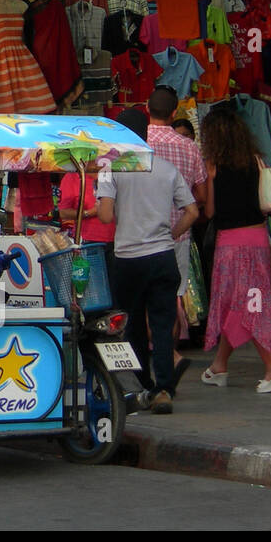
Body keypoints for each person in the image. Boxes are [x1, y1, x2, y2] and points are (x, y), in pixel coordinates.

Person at [96, 108, 199, 414]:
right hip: (163, 256)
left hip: (129, 259)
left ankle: (142, 387)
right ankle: (165, 388)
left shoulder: (111, 170)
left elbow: (104, 216)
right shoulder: (167, 169)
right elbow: (192, 212)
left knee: (134, 327)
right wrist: (171, 233)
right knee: (163, 323)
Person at [198, 109, 271, 392]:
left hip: (231, 246)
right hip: (259, 242)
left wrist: (210, 180)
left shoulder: (214, 165)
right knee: (249, 301)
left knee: (243, 305)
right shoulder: (256, 160)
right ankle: (219, 366)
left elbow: (210, 211)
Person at [145, 87, 207, 386]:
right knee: (170, 300)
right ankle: (168, 357)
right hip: (178, 236)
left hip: (141, 235)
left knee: (143, 301)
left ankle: (159, 361)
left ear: (147, 109)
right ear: (174, 114)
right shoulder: (190, 147)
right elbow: (202, 195)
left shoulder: (136, 142)